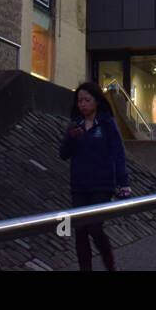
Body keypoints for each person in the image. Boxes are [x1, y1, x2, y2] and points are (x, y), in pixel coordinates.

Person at [58, 82, 131, 271]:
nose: (83, 104)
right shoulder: (75, 124)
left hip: (102, 185)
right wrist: (71, 138)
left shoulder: (106, 123)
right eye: (79, 101)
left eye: (87, 100)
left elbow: (118, 153)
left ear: (96, 101)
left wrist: (124, 182)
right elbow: (63, 153)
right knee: (80, 231)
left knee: (94, 227)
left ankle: (110, 265)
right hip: (80, 186)